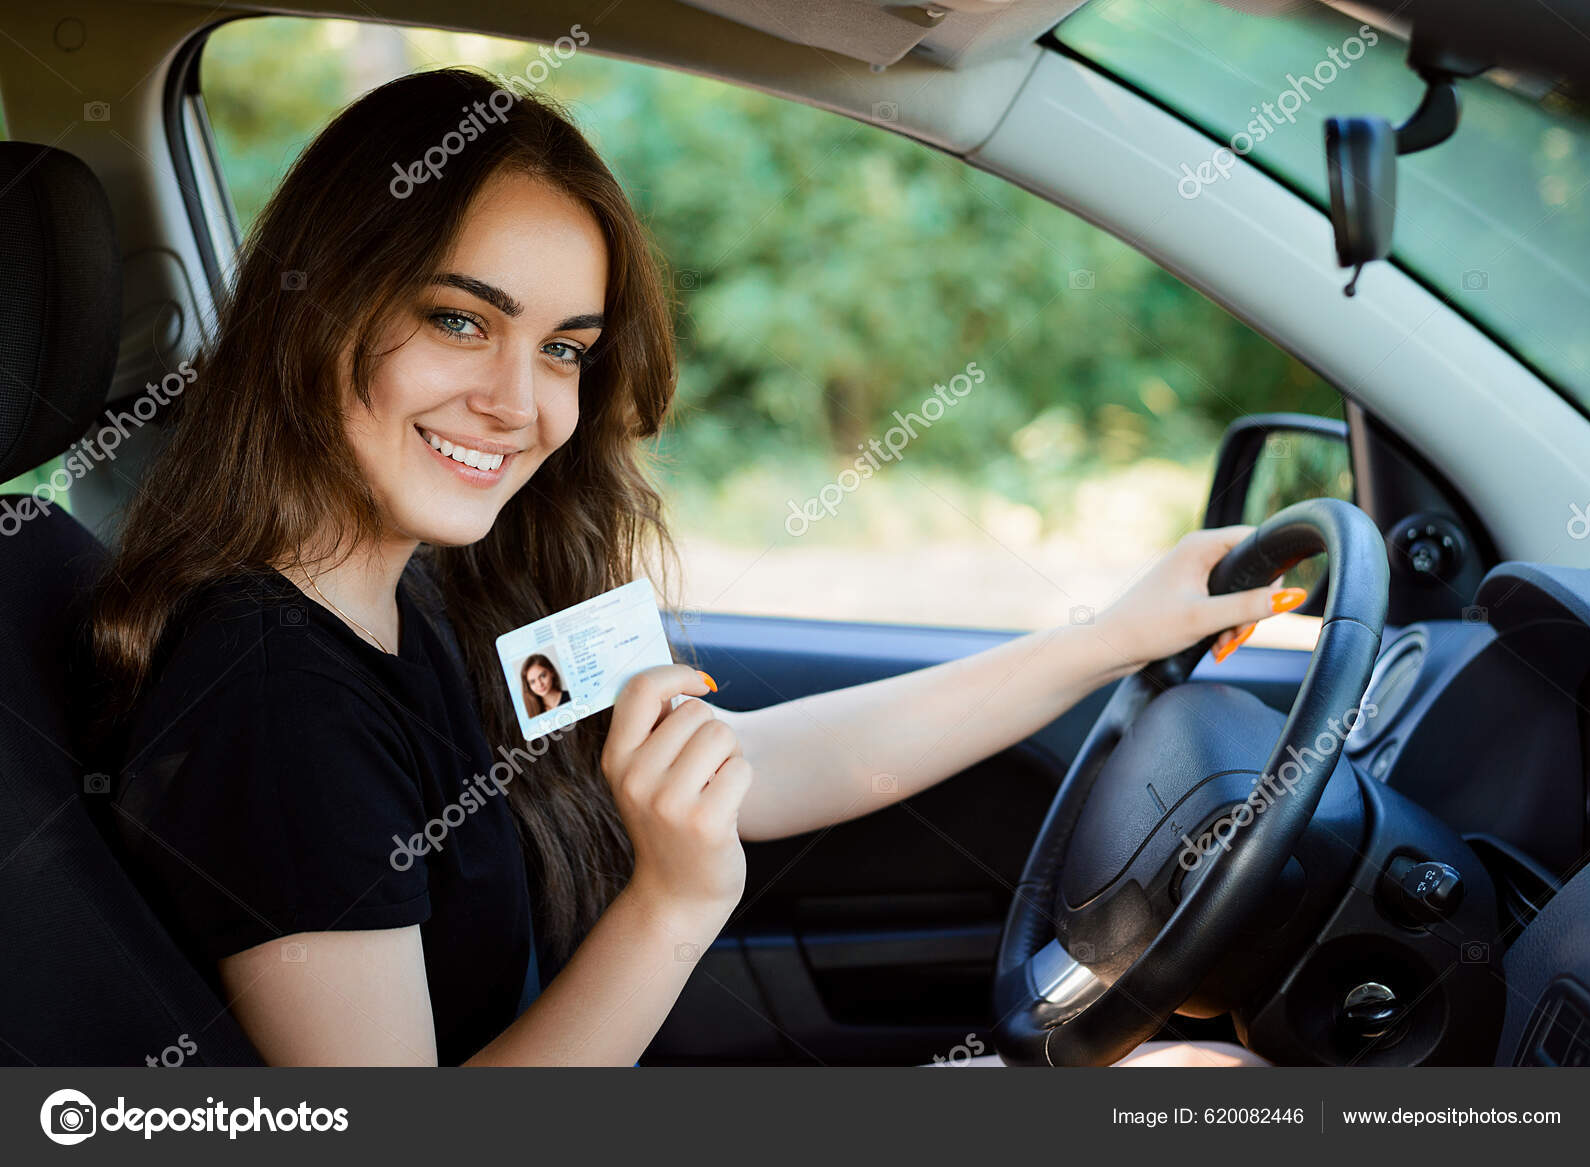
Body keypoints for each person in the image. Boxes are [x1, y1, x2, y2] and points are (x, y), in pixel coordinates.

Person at [87, 67, 1304, 1067]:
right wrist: (670, 904)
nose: (519, 402)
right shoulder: (268, 695)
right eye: (460, 319)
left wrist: (1101, 641)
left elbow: (745, 769)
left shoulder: (435, 588)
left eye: (565, 349)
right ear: (320, 310)